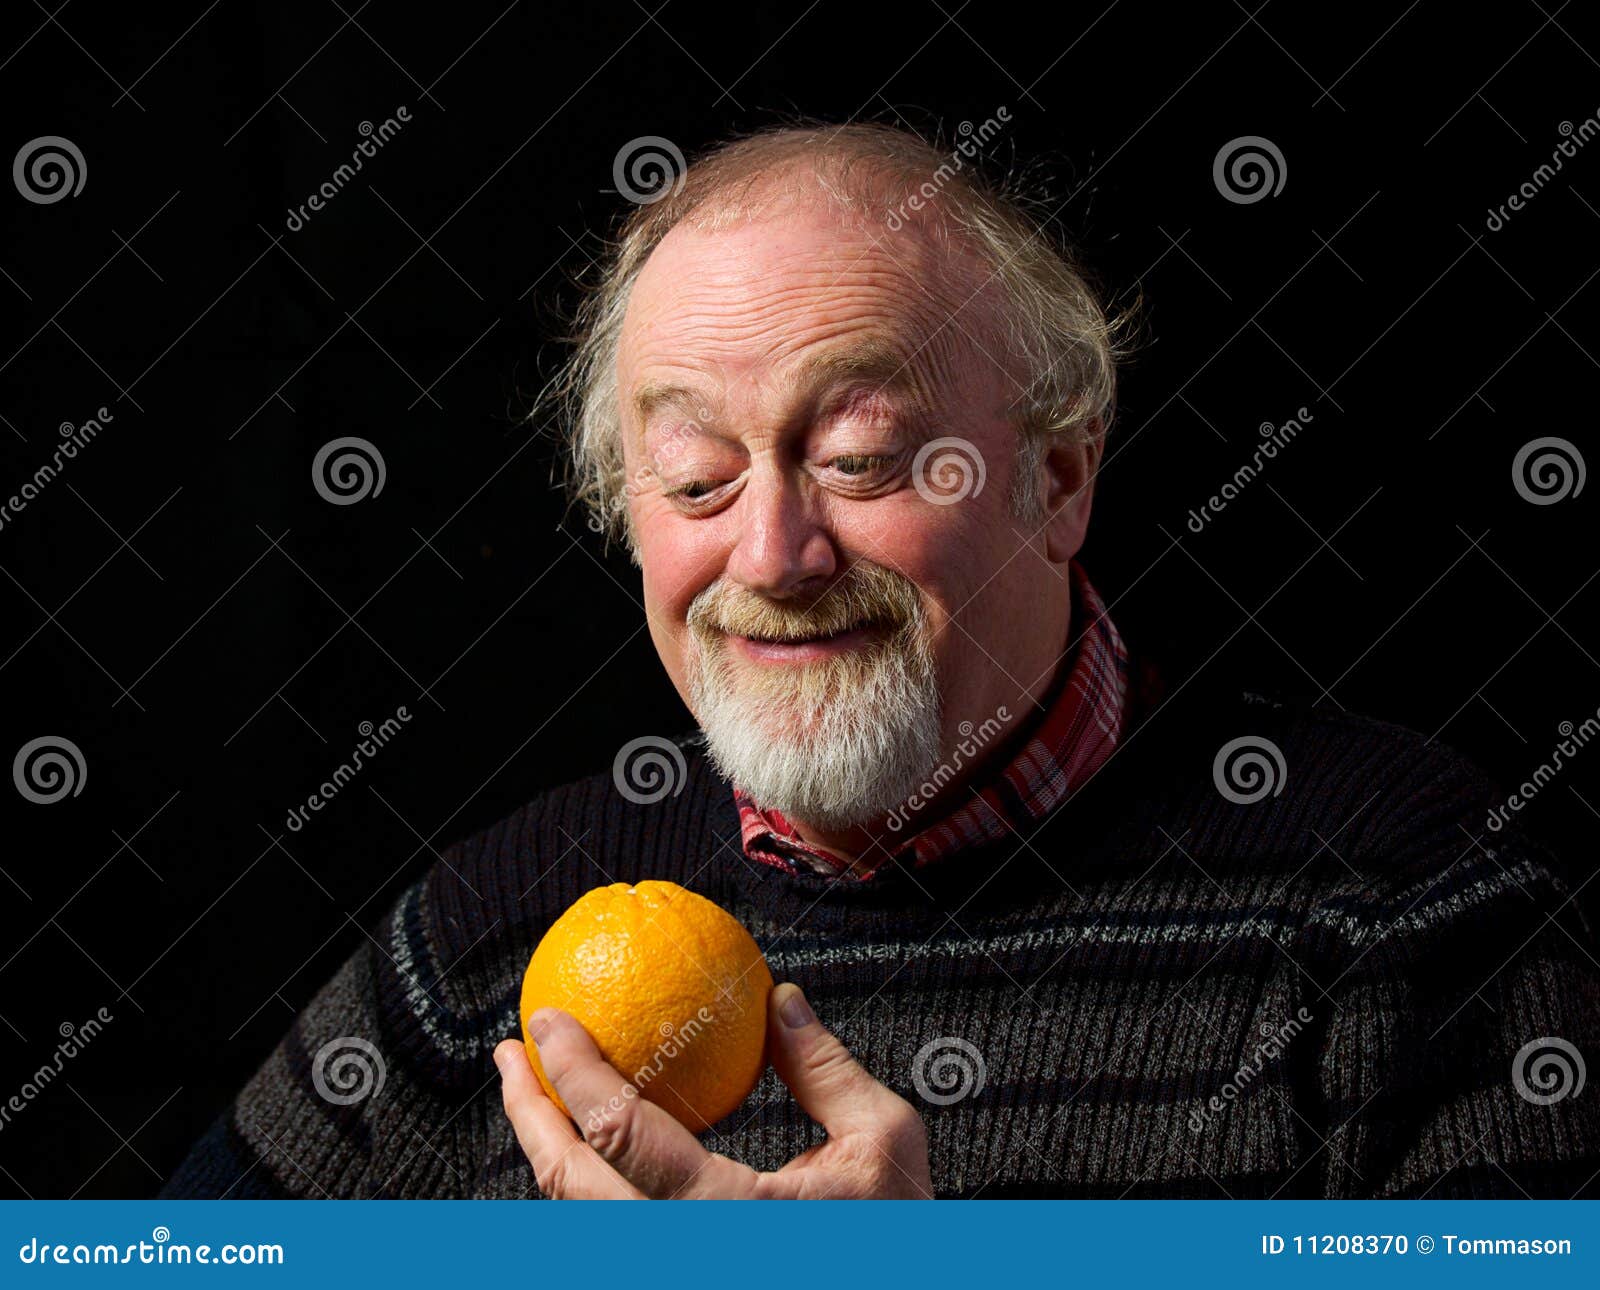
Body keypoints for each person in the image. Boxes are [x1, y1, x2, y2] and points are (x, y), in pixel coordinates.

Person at [162, 122, 1599, 1199]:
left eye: (863, 458)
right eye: (697, 477)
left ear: (1058, 477)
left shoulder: (1401, 904)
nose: (778, 554)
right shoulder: (491, 940)